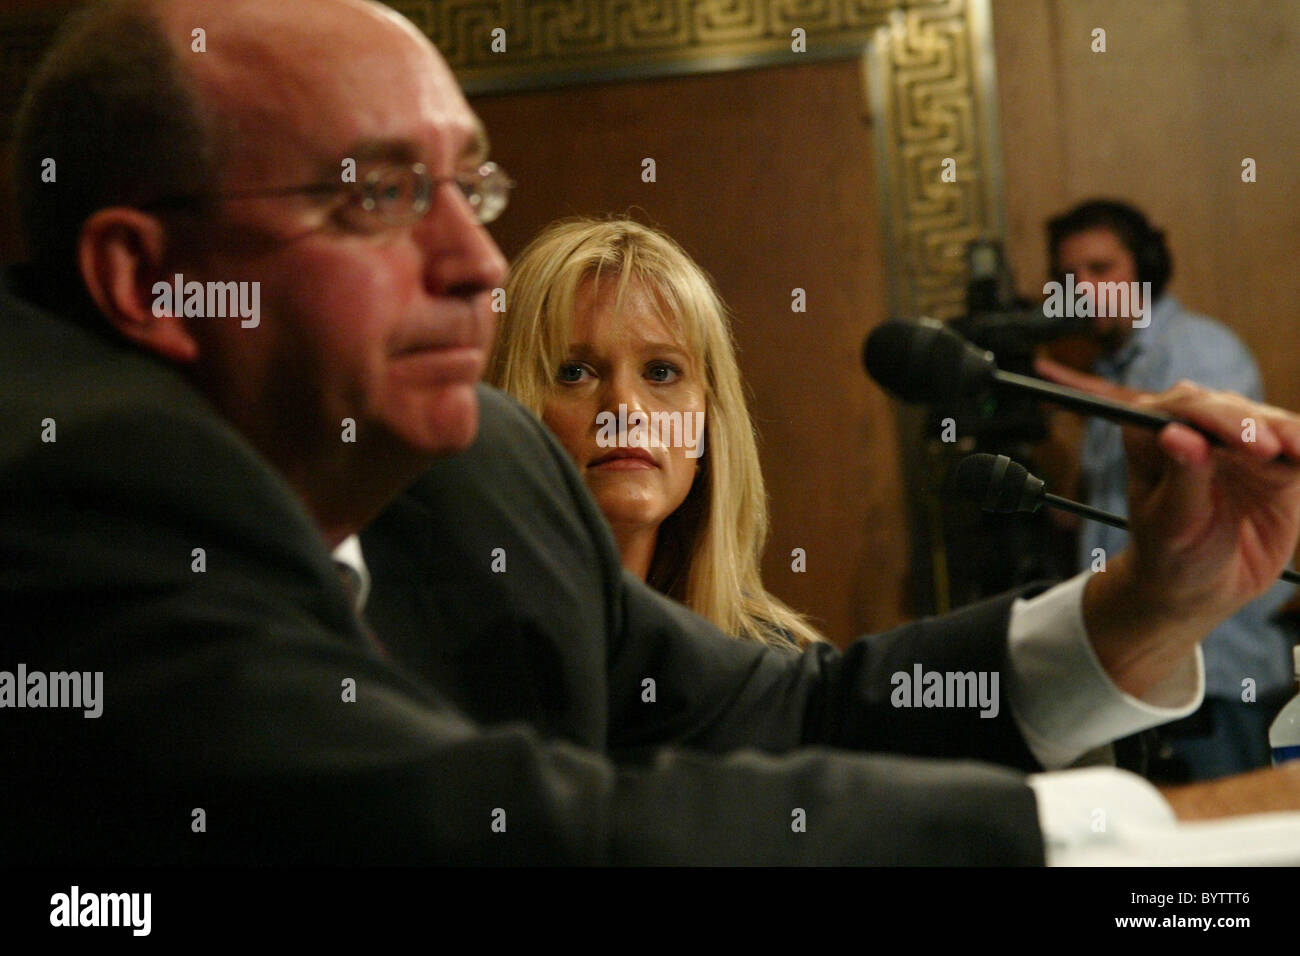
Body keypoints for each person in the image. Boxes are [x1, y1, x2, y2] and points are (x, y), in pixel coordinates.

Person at [3, 0, 1300, 866]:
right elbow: (474, 830)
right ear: (151, 282)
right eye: (380, 195)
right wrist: (1109, 835)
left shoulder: (492, 471)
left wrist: (1138, 606)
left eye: (473, 185)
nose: (477, 261)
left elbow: (792, 715)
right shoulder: (67, 481)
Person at [1037, 199, 1295, 781]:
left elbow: (1202, 433)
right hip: (1143, 666)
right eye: (1070, 277)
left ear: (1145, 267)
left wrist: (1054, 380)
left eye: (1101, 270)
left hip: (1216, 667)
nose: (1084, 290)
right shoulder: (1112, 375)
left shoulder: (1197, 346)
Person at [487, 216, 820, 649]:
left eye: (661, 372)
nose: (625, 410)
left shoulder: (778, 666)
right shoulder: (429, 653)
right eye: (573, 372)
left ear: (706, 422)